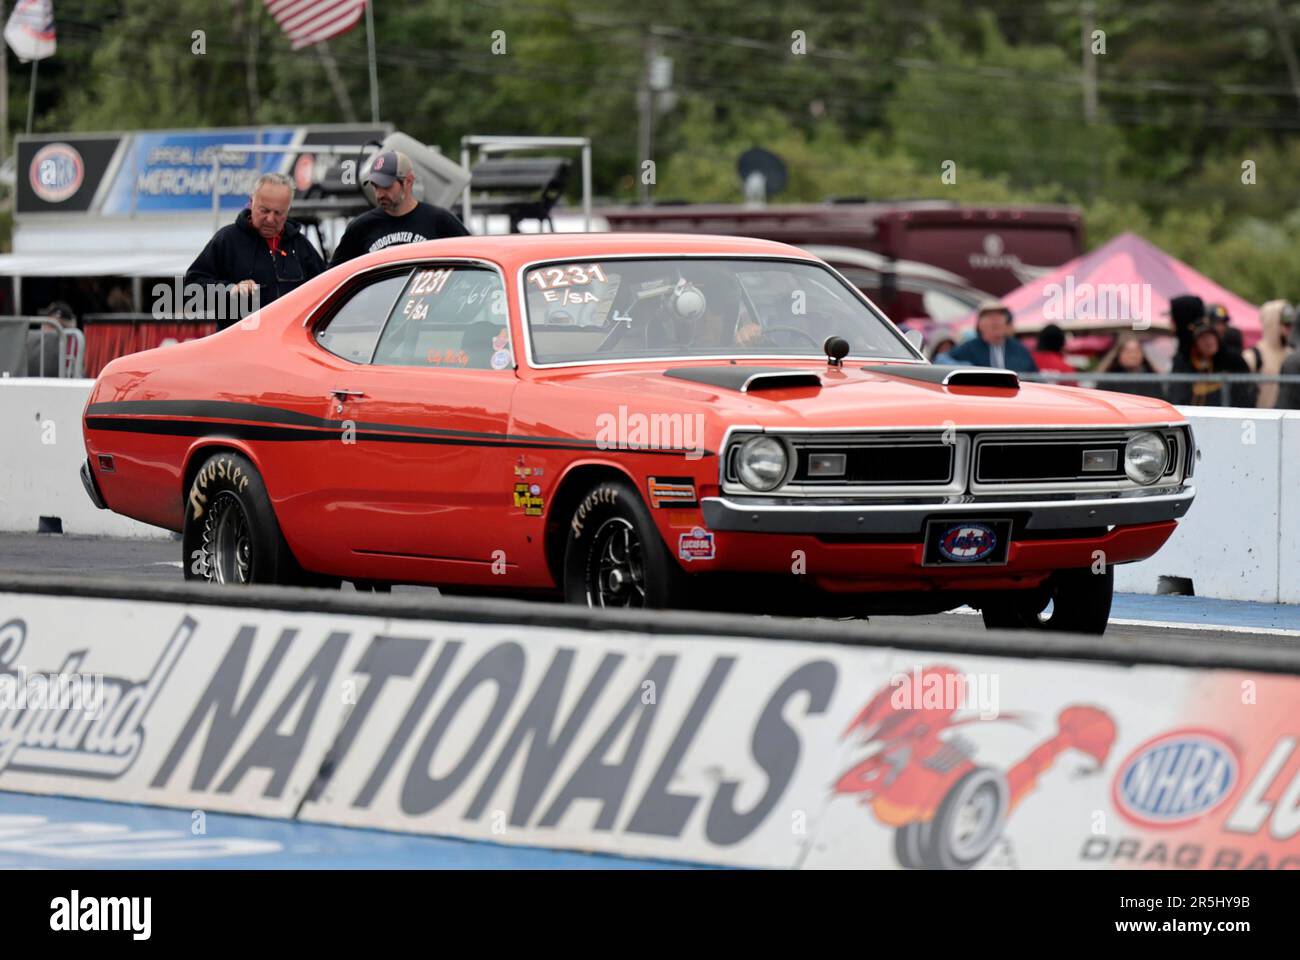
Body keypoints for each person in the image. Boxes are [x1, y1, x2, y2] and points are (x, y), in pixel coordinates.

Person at [184, 173, 326, 330]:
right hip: (240, 346)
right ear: (251, 203)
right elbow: (191, 288)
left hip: (289, 346)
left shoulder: (300, 246)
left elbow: (327, 290)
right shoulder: (227, 240)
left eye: (278, 213)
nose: (270, 219)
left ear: (288, 211)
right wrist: (231, 290)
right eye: (264, 210)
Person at [329, 150, 470, 266]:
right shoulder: (361, 227)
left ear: (408, 181)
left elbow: (473, 261)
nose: (379, 194)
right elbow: (332, 277)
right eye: (375, 186)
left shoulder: (439, 220)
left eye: (386, 186)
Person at [1167, 319, 1255, 407]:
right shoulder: (1187, 364)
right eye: (1202, 338)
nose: (1208, 341)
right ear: (1195, 344)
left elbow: (1246, 392)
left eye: (1211, 336)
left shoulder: (1233, 360)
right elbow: (1177, 396)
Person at [942, 300, 1039, 373]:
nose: (996, 321)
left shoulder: (1019, 349)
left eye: (1000, 317)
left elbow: (1034, 375)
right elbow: (942, 360)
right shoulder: (970, 348)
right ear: (980, 324)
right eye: (990, 317)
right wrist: (966, 367)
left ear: (1006, 323)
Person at [1245, 300, 1294, 408]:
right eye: (1286, 324)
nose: (1290, 328)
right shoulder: (1252, 356)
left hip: (1289, 421)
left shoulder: (1292, 355)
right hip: (1259, 420)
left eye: (1291, 324)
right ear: (1273, 323)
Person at [1094, 332, 1165, 399]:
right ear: (1119, 354)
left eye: (1136, 351)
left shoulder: (1152, 380)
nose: (1132, 356)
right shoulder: (1108, 380)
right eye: (1128, 352)